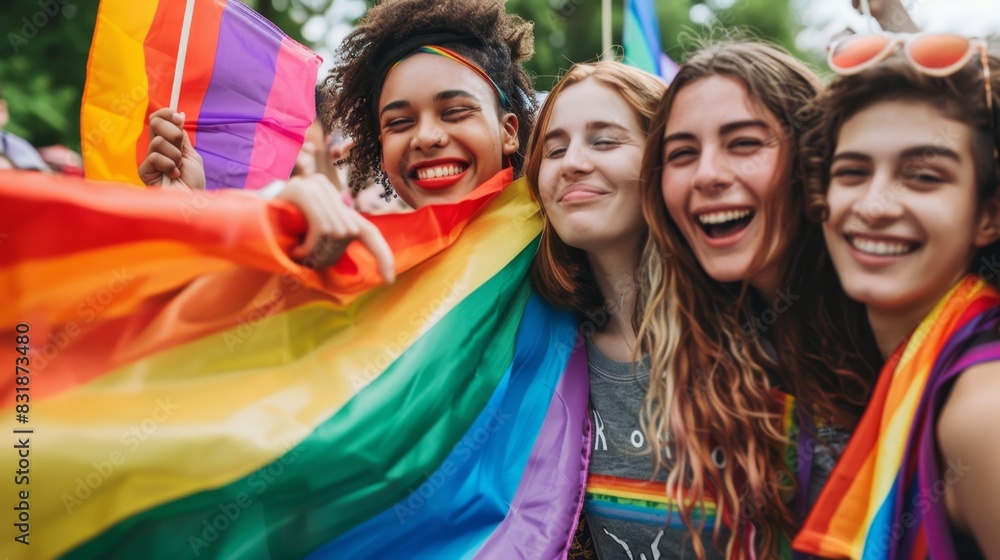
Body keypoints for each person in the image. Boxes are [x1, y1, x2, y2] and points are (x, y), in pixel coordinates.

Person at [636, 40, 879, 558]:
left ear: (813, 157)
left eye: (744, 143)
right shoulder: (717, 347)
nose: (706, 175)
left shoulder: (891, 320)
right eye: (681, 154)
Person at [138, 0, 536, 275]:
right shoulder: (359, 271)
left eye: (453, 112)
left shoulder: (566, 254)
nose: (426, 137)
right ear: (381, 149)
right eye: (399, 123)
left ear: (508, 132)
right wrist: (185, 217)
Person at [793, 34, 1000, 559]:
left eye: (924, 177)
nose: (875, 204)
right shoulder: (914, 363)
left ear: (989, 215)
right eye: (853, 172)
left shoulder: (981, 409)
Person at [524, 60, 665, 557]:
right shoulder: (544, 353)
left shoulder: (760, 333)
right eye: (554, 149)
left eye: (604, 141)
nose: (571, 163)